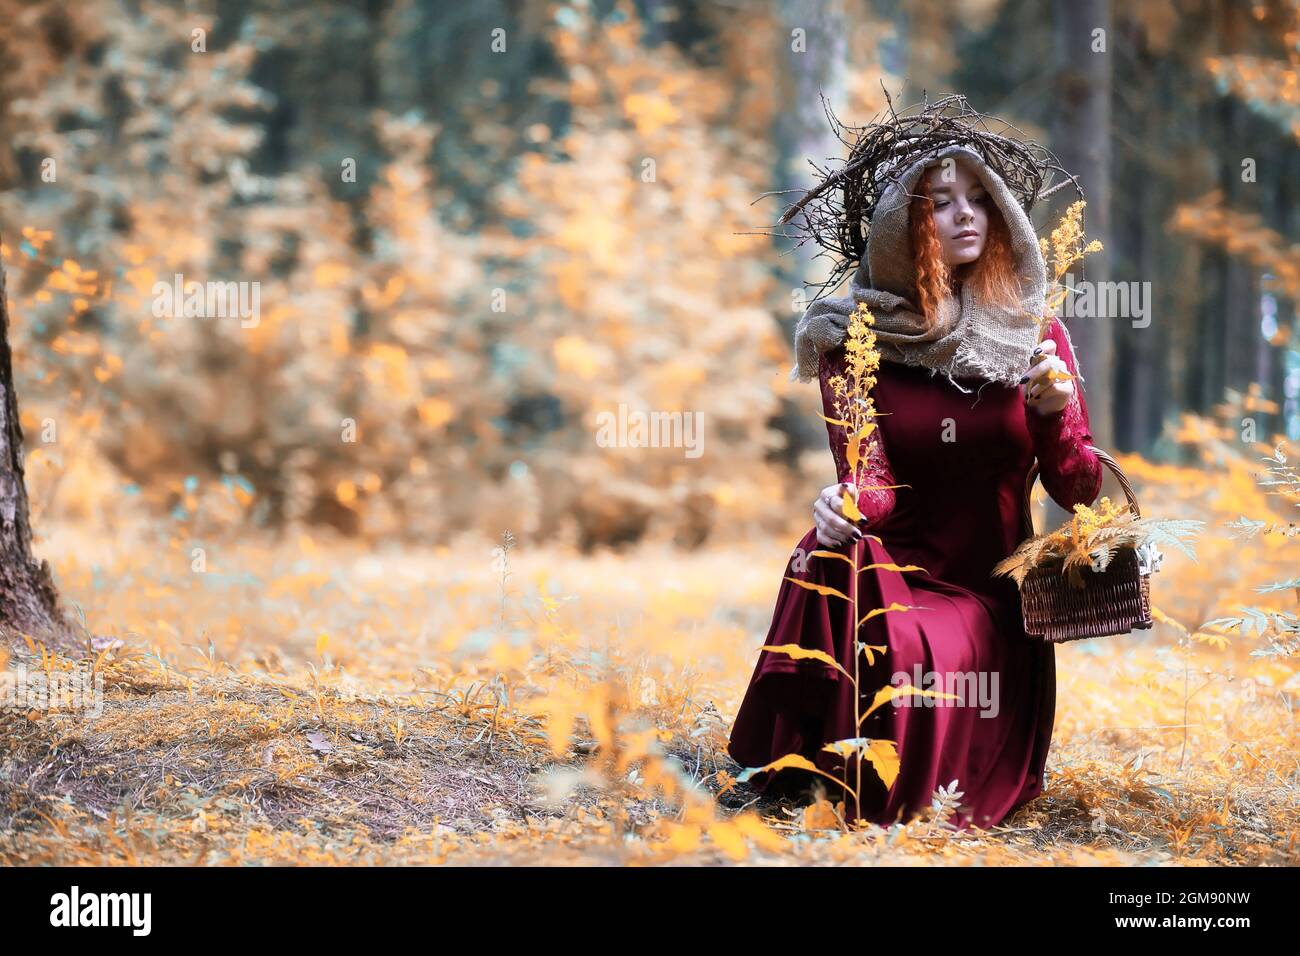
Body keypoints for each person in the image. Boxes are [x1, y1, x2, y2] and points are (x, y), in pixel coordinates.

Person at [726, 143, 1103, 830]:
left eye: (979, 199)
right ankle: (796, 768)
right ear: (905, 225)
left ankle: (867, 784)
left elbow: (1079, 489)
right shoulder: (852, 340)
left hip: (986, 592)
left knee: (913, 651)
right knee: (827, 550)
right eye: (941, 203)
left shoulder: (1036, 336)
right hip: (893, 568)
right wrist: (840, 504)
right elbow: (872, 485)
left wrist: (1054, 419)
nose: (968, 215)